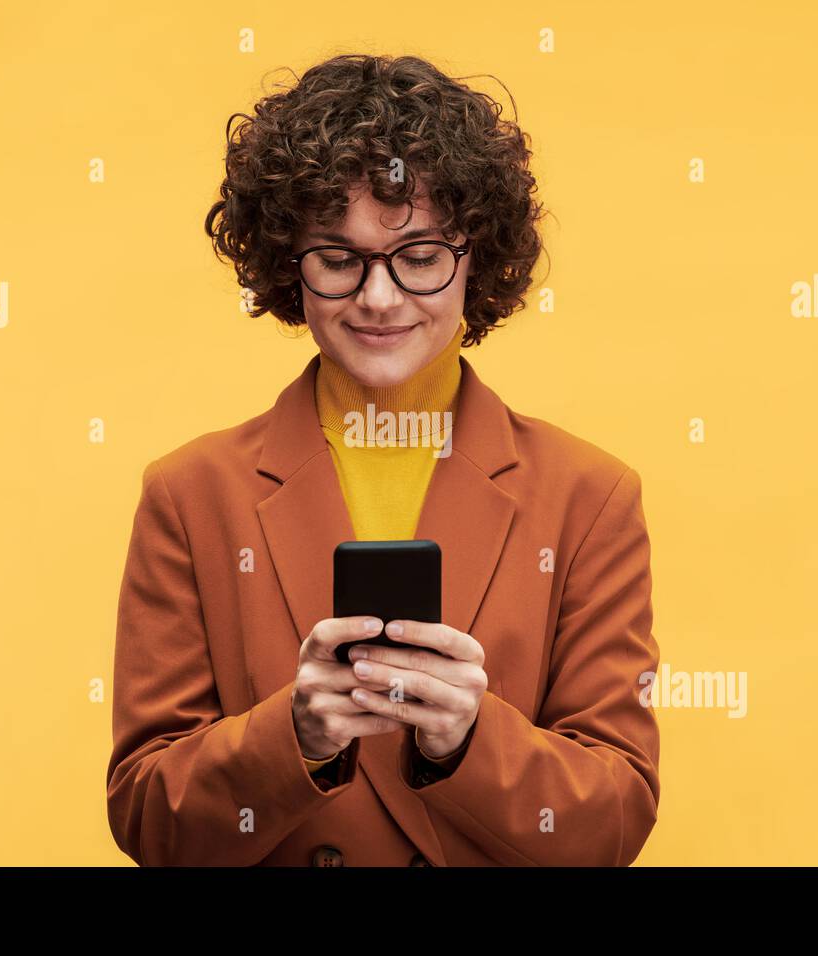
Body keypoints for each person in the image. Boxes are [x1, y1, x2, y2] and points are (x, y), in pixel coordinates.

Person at [106, 53, 660, 867]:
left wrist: (471, 740)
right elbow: (148, 819)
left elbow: (613, 823)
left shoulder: (590, 497)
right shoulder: (190, 496)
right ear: (286, 268)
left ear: (478, 260)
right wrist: (289, 735)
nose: (379, 298)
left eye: (421, 256)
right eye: (340, 259)